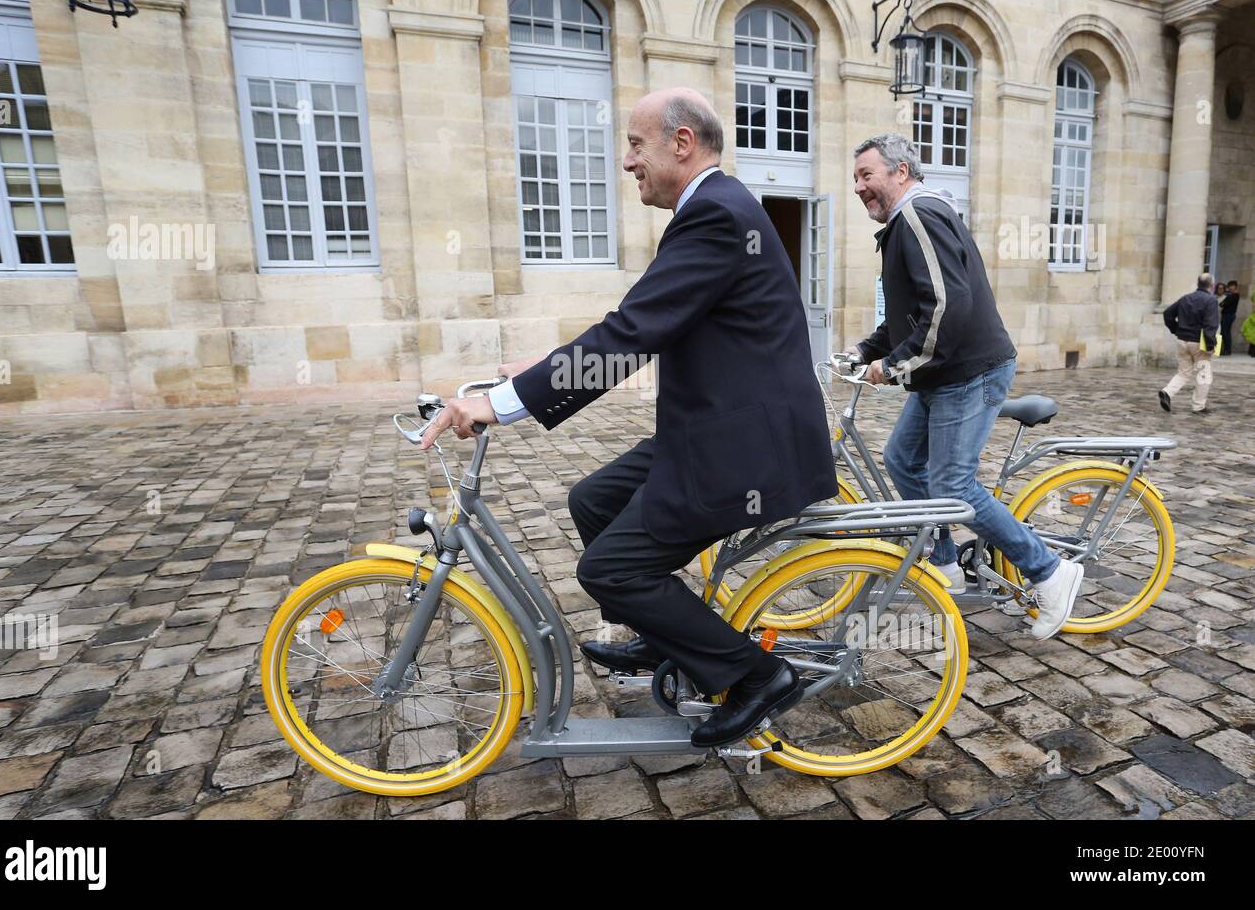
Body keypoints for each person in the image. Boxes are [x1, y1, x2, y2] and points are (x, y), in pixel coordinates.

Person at [420, 88, 838, 748]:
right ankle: (661, 636)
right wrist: (531, 374)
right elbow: (642, 324)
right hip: (721, 428)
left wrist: (500, 406)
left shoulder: (716, 217)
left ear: (682, 143)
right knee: (593, 500)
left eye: (636, 144)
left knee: (610, 569)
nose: (625, 161)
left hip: (747, 449)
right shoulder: (714, 209)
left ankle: (757, 677)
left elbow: (631, 333)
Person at [845, 133, 1083, 640]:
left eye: (867, 175)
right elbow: (908, 316)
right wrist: (865, 352)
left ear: (901, 172)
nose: (860, 187)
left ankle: (1049, 571)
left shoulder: (917, 216)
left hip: (969, 371)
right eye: (856, 179)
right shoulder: (903, 226)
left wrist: (893, 367)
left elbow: (946, 310)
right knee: (903, 460)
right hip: (944, 373)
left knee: (953, 485)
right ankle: (947, 561)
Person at [1160, 273, 1221, 415]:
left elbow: (1167, 314)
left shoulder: (1186, 298)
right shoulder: (1211, 300)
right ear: (1211, 286)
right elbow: (1210, 325)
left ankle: (1167, 392)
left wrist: (1176, 330)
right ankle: (1198, 406)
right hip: (1199, 343)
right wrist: (1211, 346)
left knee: (1183, 373)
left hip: (1182, 341)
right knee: (1204, 374)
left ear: (1198, 284)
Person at [1219, 281, 1240, 356]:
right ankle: (1225, 350)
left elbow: (1223, 304)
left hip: (1229, 315)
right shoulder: (1230, 295)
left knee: (1225, 333)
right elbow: (1221, 304)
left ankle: (1227, 350)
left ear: (1235, 287)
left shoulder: (1234, 295)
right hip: (1227, 315)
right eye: (1229, 286)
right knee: (1224, 332)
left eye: (1232, 286)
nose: (1230, 287)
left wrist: (1223, 302)